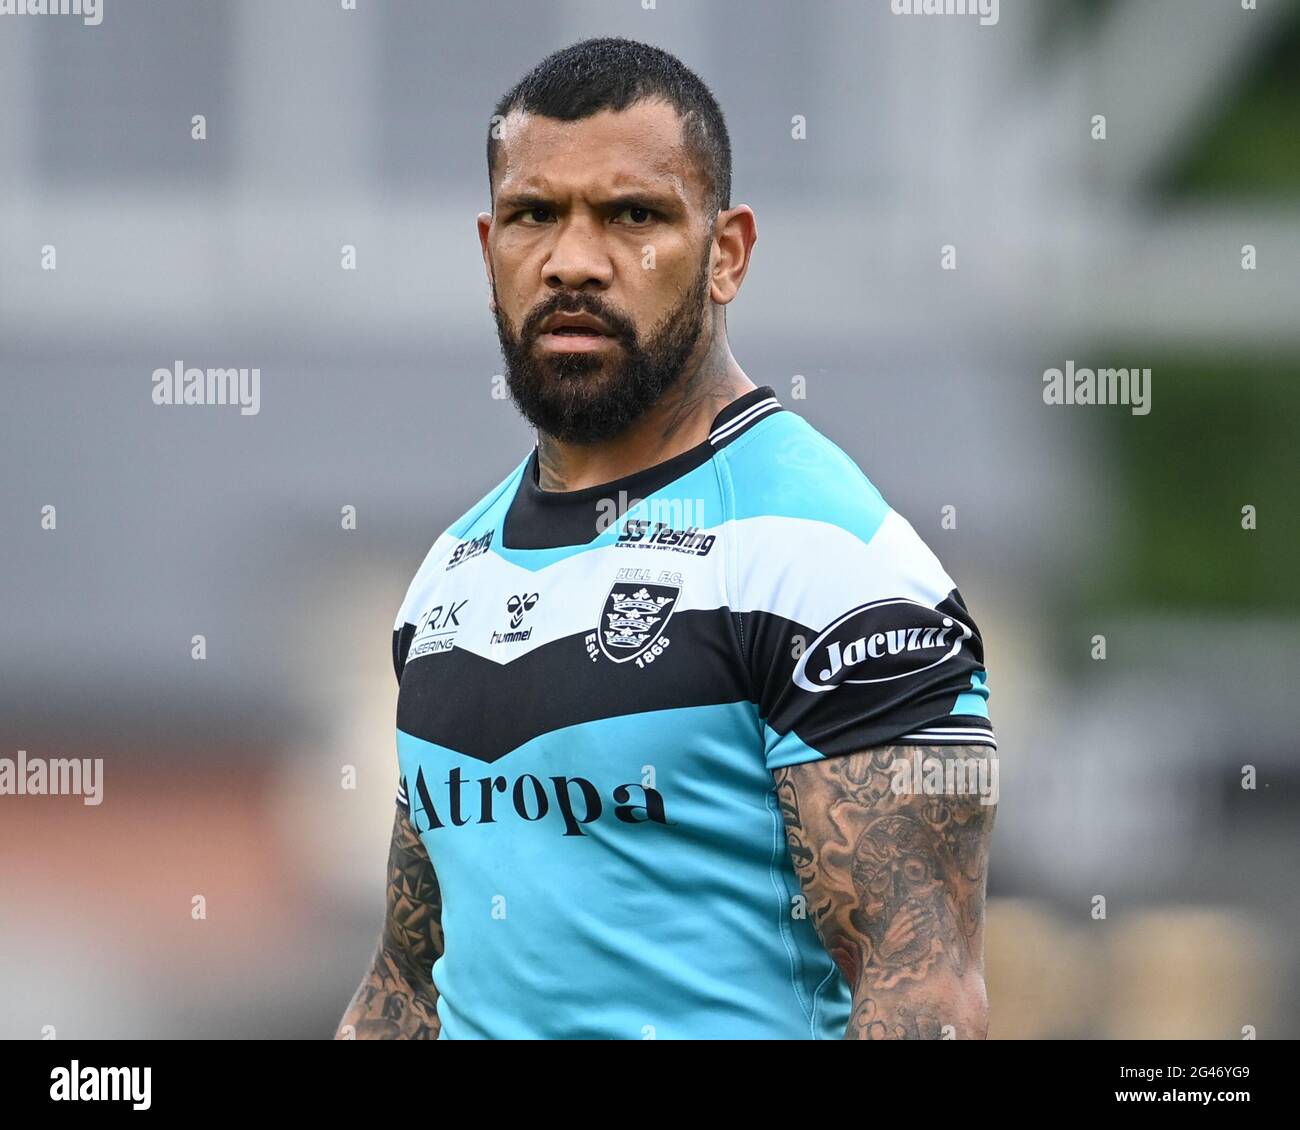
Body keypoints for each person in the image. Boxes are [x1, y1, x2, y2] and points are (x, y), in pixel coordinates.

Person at [337, 36, 997, 1040]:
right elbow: (404, 986)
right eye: (534, 215)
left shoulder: (828, 563)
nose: (572, 260)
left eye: (631, 214)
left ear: (726, 251)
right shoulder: (445, 583)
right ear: (489, 252)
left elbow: (924, 997)